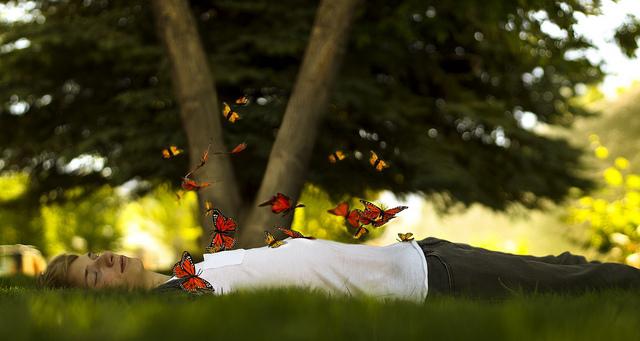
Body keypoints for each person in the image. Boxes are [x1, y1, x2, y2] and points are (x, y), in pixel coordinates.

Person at [38, 237, 640, 302]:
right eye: (95, 276)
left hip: (423, 255)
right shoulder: (181, 305)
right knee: (588, 286)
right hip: (430, 283)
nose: (106, 260)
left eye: (95, 257)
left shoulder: (187, 271)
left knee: (565, 267)